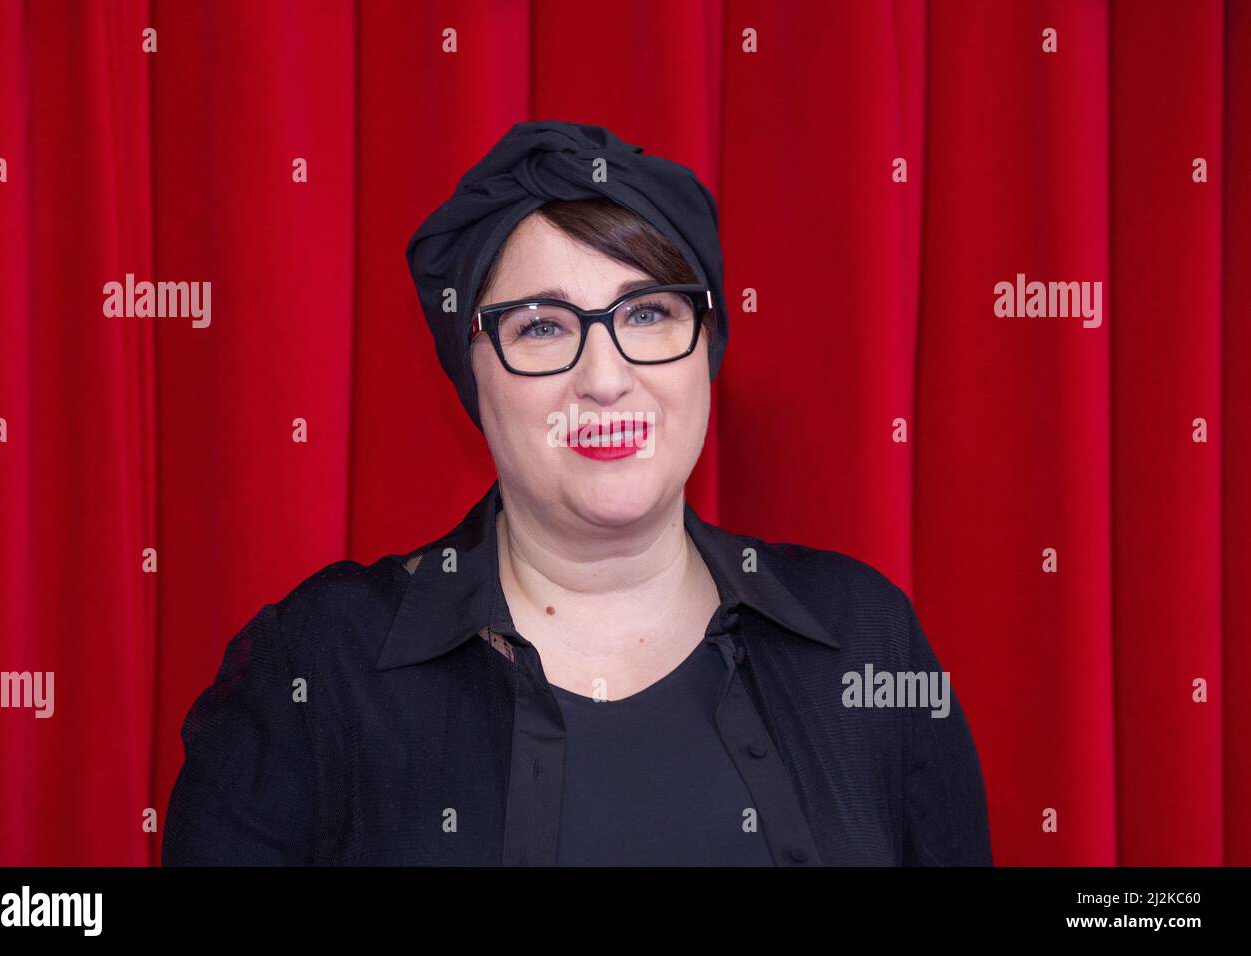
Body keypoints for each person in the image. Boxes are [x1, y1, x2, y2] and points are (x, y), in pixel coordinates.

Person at [161, 120, 991, 866]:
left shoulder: (863, 638)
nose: (605, 377)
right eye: (542, 327)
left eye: (648, 312)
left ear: (705, 348)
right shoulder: (320, 667)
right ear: (472, 374)